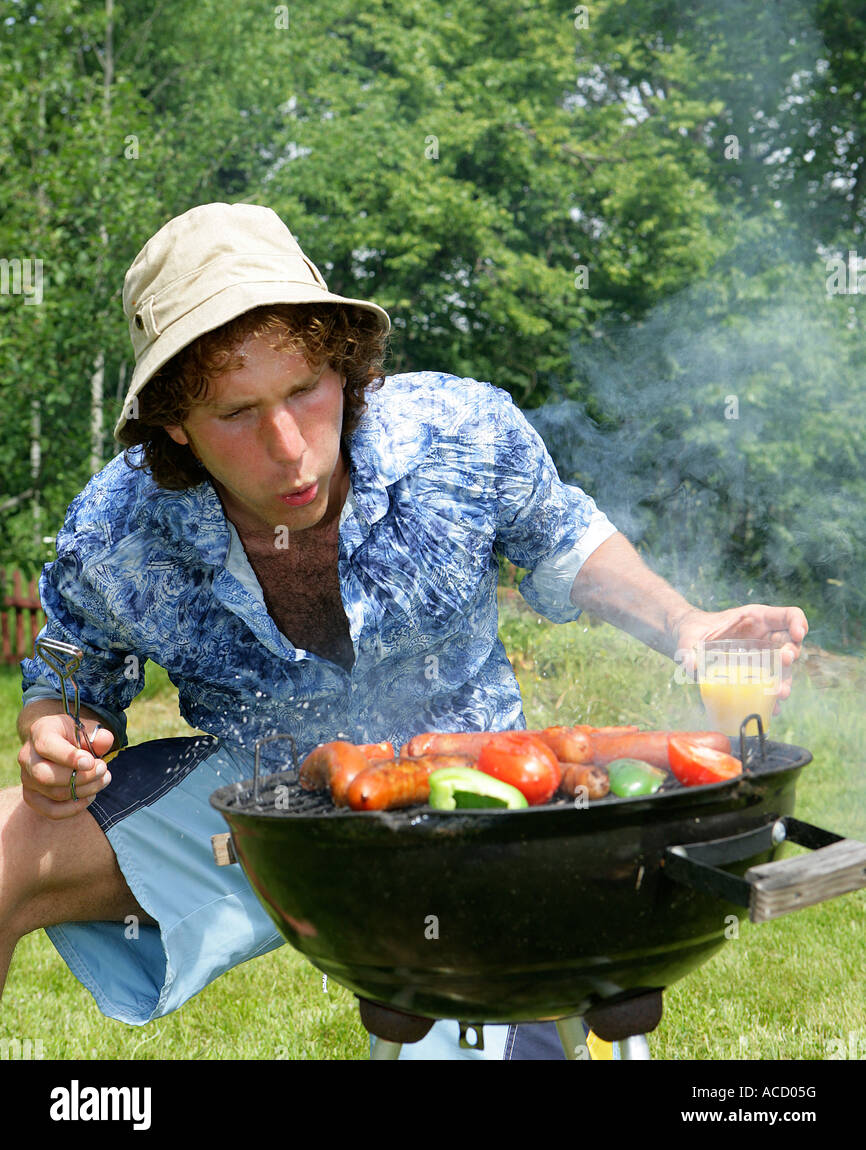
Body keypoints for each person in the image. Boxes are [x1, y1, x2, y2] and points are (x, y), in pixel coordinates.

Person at [0, 203, 808, 1061]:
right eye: (237, 414)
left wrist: (687, 622)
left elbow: (564, 540)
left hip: (475, 799)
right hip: (260, 808)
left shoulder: (458, 433)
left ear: (343, 369)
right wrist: (52, 723)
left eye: (305, 391)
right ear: (173, 422)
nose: (290, 449)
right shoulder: (120, 526)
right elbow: (69, 654)